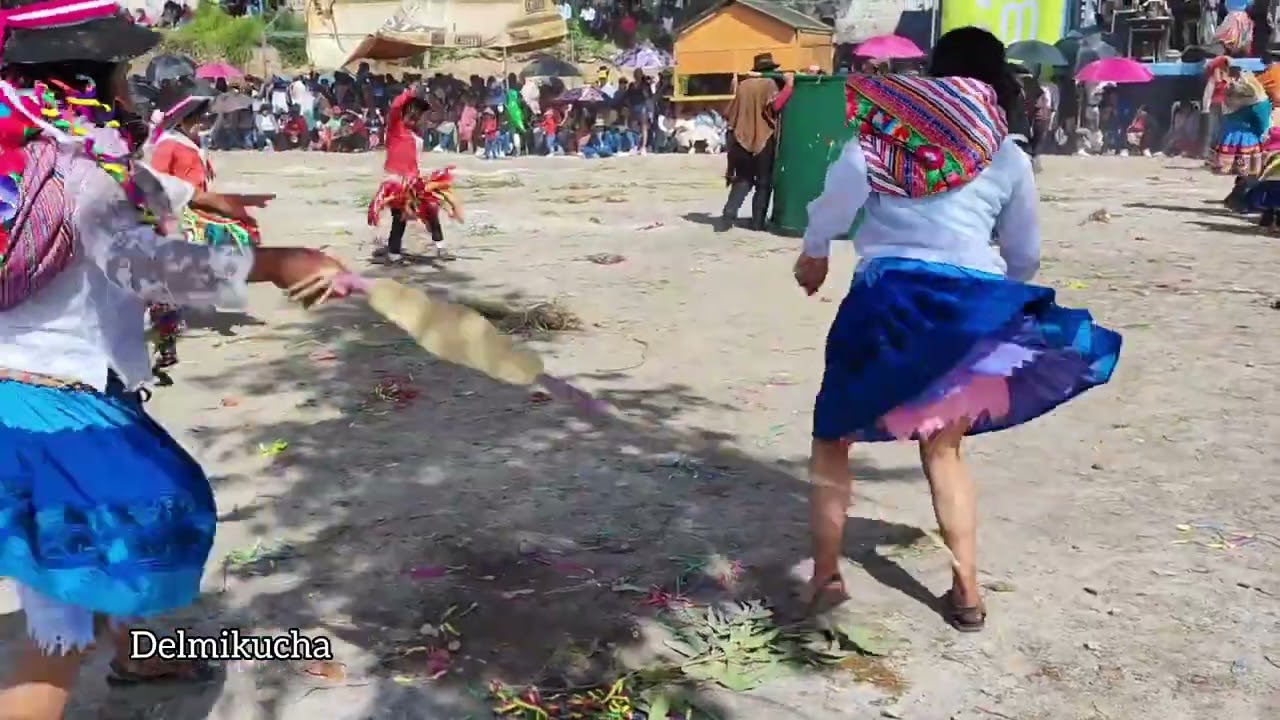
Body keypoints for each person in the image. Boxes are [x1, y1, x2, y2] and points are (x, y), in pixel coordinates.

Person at [0, 3, 350, 717]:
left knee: (109, 533)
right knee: (64, 618)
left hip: (28, 396)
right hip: (51, 408)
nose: (128, 83)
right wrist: (276, 263)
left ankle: (140, 657)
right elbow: (149, 265)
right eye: (120, 71)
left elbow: (138, 188)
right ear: (88, 78)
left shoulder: (33, 158)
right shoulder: (83, 175)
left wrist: (208, 196)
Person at [792, 26, 1121, 632]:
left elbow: (836, 202)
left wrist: (814, 252)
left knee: (833, 437)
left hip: (888, 299)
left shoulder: (882, 136)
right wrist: (996, 301)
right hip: (971, 307)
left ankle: (826, 577)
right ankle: (967, 592)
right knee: (943, 449)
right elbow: (1024, 255)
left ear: (935, 73)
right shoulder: (1008, 155)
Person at [369, 85, 455, 263]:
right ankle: (394, 254)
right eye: (411, 114)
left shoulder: (416, 133)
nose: (414, 118)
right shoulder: (395, 128)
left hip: (413, 180)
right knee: (400, 217)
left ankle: (441, 247)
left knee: (430, 211)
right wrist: (409, 92)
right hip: (395, 180)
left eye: (417, 116)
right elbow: (395, 107)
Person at [717, 53, 795, 232]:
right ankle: (758, 222)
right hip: (763, 139)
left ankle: (728, 215)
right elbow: (775, 106)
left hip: (740, 139)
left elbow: (729, 113)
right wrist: (789, 86)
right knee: (763, 183)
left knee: (742, 179)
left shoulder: (743, 85)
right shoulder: (769, 84)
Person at [1213, 67, 1271, 174]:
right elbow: (1263, 125)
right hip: (1246, 134)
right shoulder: (1258, 102)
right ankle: (1242, 166)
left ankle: (1229, 165)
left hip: (1234, 132)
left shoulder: (1255, 103)